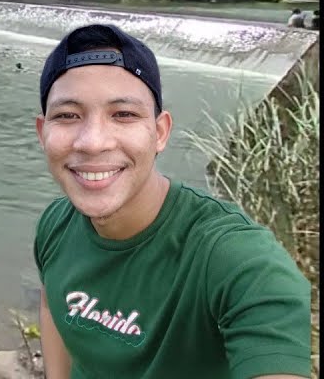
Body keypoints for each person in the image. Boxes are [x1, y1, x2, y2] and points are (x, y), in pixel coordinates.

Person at [32, 24, 311, 379]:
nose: (93, 142)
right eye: (68, 115)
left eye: (124, 114)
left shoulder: (234, 257)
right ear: (43, 133)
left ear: (160, 133)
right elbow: (50, 301)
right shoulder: (57, 224)